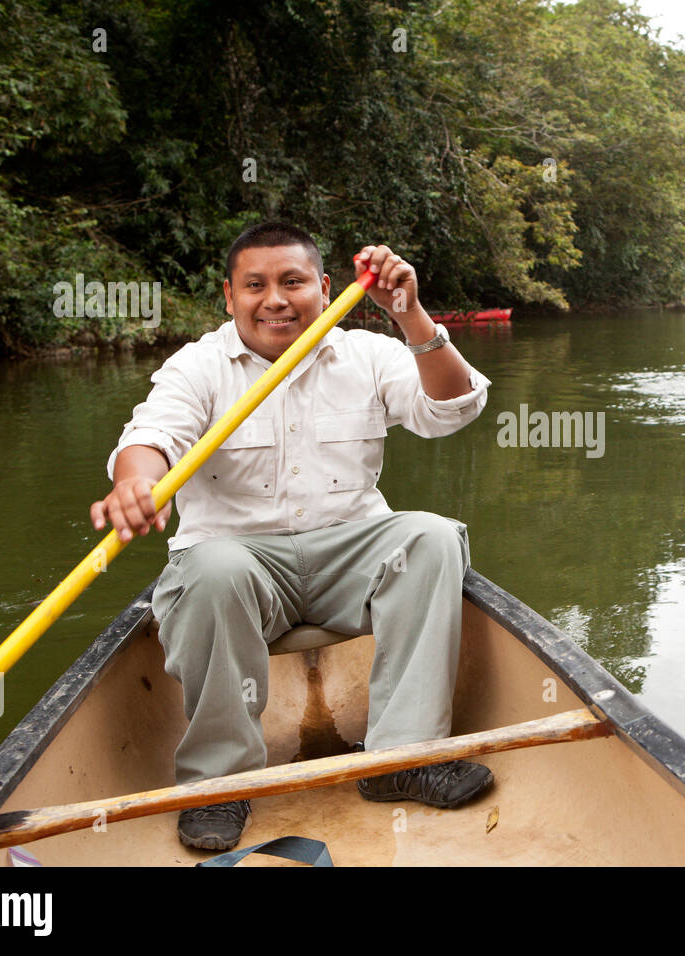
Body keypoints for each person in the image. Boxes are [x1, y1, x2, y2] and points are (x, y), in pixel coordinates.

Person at [89, 221, 494, 851]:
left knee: (431, 538)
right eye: (255, 285)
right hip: (238, 567)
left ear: (325, 287)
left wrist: (411, 316)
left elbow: (453, 408)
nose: (275, 299)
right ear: (230, 297)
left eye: (293, 282)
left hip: (348, 554)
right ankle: (218, 785)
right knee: (213, 570)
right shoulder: (198, 365)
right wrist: (134, 484)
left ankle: (402, 760)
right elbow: (150, 438)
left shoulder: (366, 352)